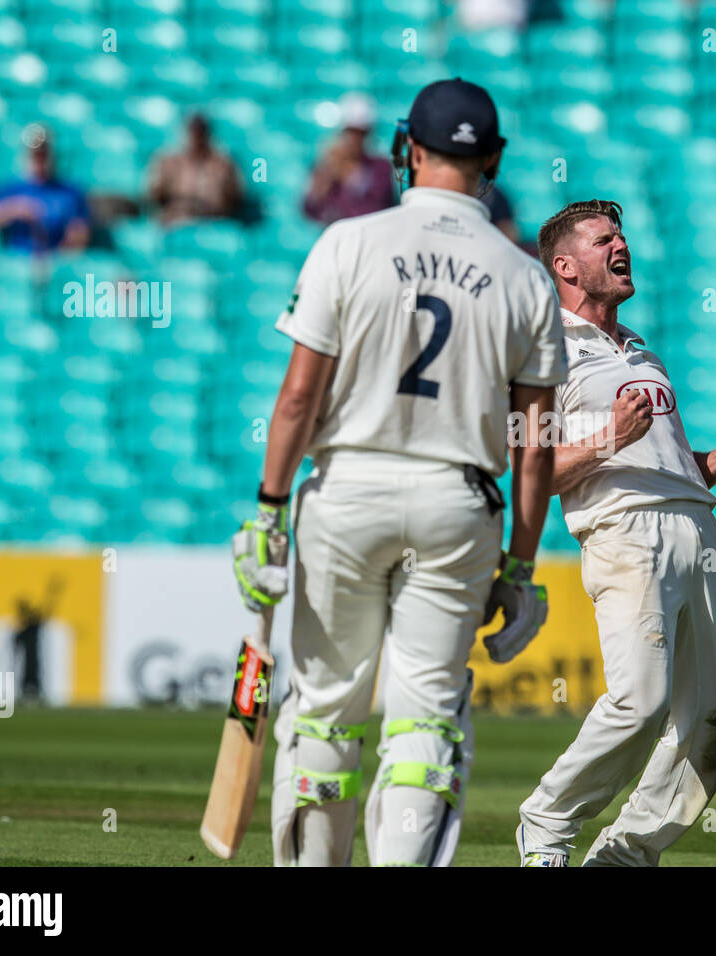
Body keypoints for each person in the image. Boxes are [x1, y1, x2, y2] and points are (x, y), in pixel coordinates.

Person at [230, 79, 566, 867]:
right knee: (425, 724)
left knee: (323, 712)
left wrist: (267, 513)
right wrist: (521, 565)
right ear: (493, 159)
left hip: (346, 492)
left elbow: (297, 398)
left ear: (406, 150)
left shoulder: (349, 241)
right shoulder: (525, 277)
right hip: (459, 502)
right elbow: (536, 444)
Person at [516, 199, 716, 867]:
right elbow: (531, 468)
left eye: (622, 236)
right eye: (603, 239)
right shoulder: (545, 350)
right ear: (565, 265)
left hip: (698, 524)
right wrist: (606, 438)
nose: (622, 246)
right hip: (625, 535)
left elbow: (671, 469)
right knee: (640, 702)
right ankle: (546, 822)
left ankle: (626, 854)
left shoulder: (641, 350)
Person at [0, 125, 89, 254]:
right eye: (35, 154)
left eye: (43, 153)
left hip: (54, 259)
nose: (39, 159)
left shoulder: (70, 192)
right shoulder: (7, 188)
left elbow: (79, 235)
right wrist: (12, 209)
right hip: (14, 259)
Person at [301, 93, 395, 224]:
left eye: (360, 133)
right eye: (351, 132)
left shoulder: (381, 168)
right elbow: (310, 209)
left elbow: (380, 208)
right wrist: (325, 179)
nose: (354, 139)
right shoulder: (325, 166)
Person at [146, 112, 243, 224]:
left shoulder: (223, 164)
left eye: (200, 131)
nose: (196, 137)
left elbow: (234, 199)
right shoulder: (168, 162)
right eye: (193, 131)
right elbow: (154, 197)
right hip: (176, 218)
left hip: (212, 221)